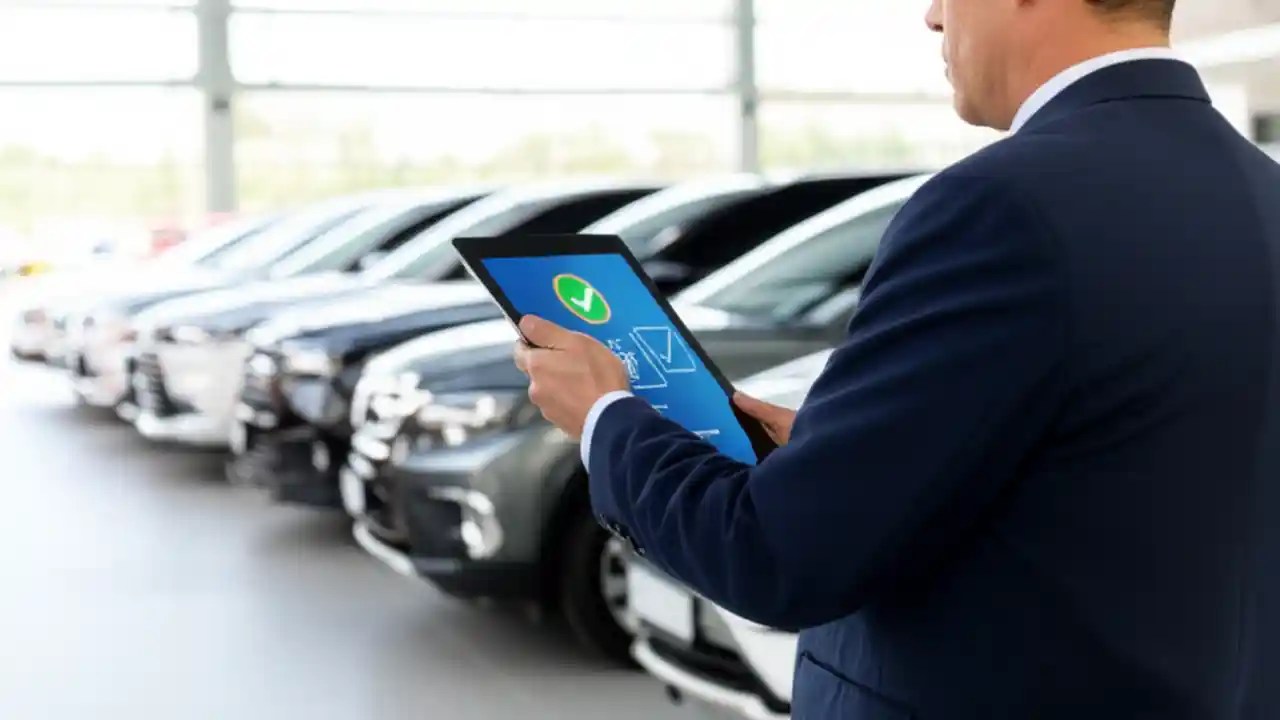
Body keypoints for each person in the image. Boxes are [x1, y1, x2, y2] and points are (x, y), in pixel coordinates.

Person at [515, 0, 1280, 716]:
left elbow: (776, 558)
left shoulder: (999, 206)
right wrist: (851, 454)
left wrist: (605, 418)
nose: (932, 16)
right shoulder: (1261, 193)